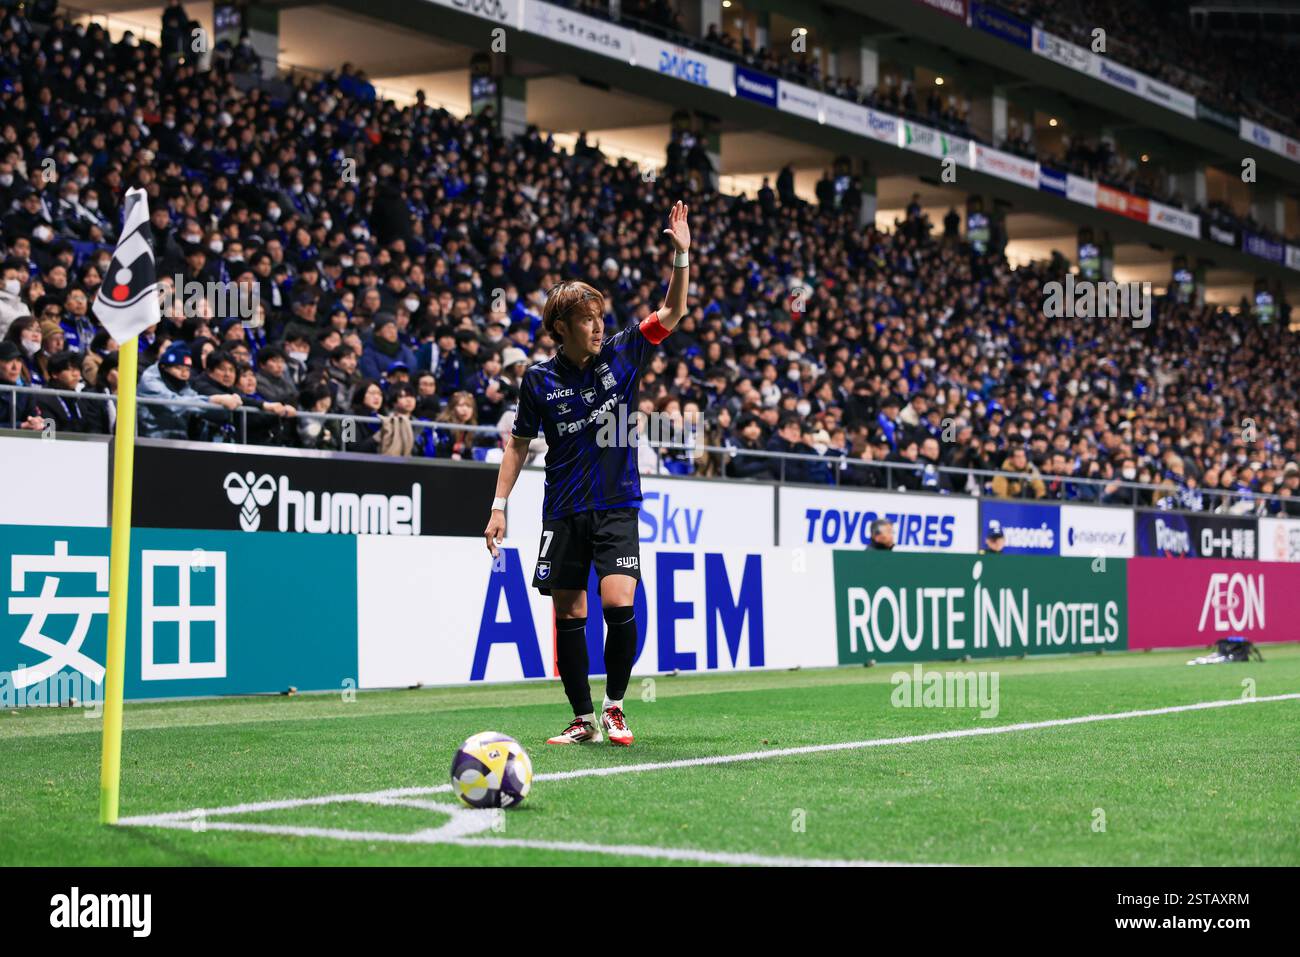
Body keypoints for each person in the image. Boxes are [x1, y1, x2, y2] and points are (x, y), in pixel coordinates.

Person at [483, 200, 691, 749]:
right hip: (563, 508)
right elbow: (519, 444)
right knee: (570, 611)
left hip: (617, 501)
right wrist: (499, 505)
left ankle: (615, 705)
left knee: (619, 600)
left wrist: (682, 258)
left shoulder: (623, 352)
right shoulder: (537, 380)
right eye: (586, 319)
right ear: (561, 326)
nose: (598, 325)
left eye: (600, 316)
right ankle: (581, 718)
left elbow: (671, 315)